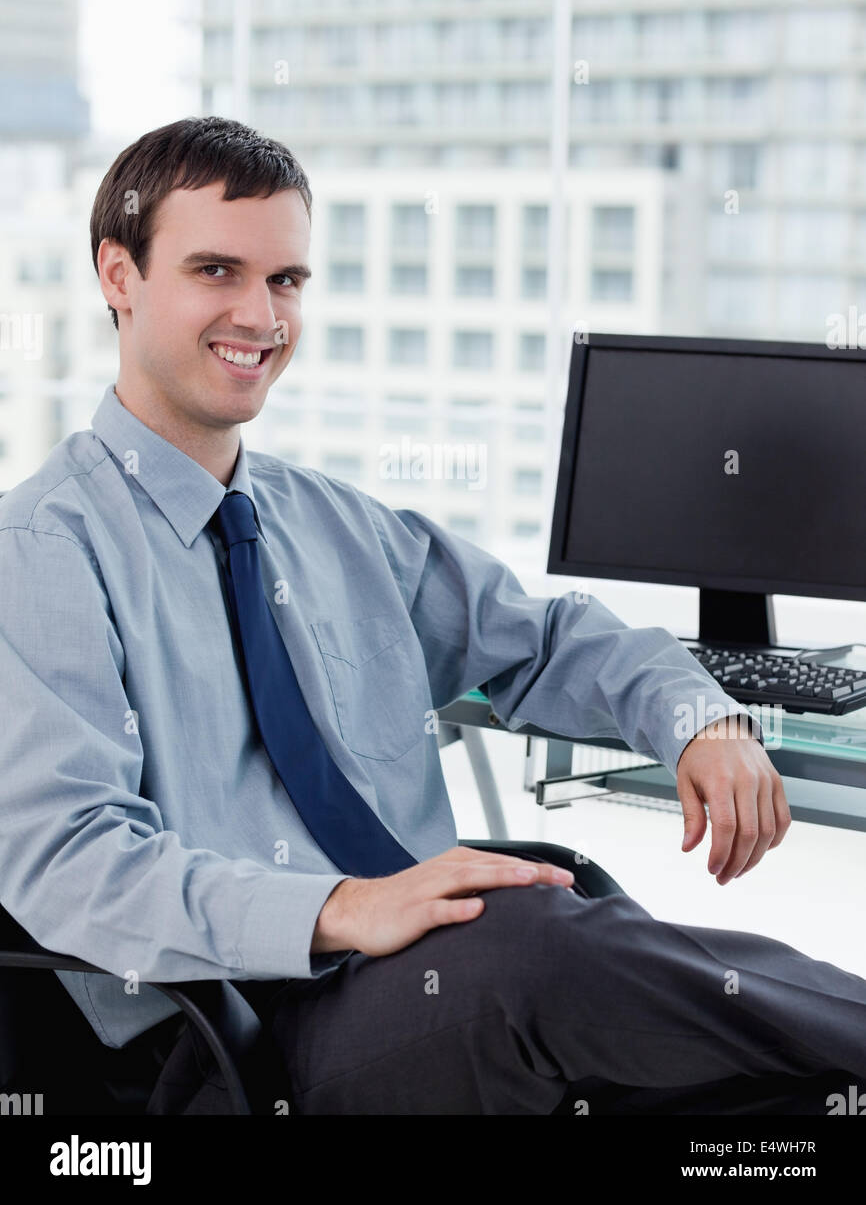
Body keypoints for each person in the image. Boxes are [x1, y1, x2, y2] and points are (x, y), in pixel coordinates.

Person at [0, 116, 863, 1117]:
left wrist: (697, 717)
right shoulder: (40, 551)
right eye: (215, 270)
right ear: (119, 275)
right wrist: (344, 907)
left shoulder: (329, 524)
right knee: (542, 949)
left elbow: (542, 636)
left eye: (285, 281)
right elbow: (73, 861)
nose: (260, 314)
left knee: (752, 1086)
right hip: (233, 1031)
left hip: (419, 972)